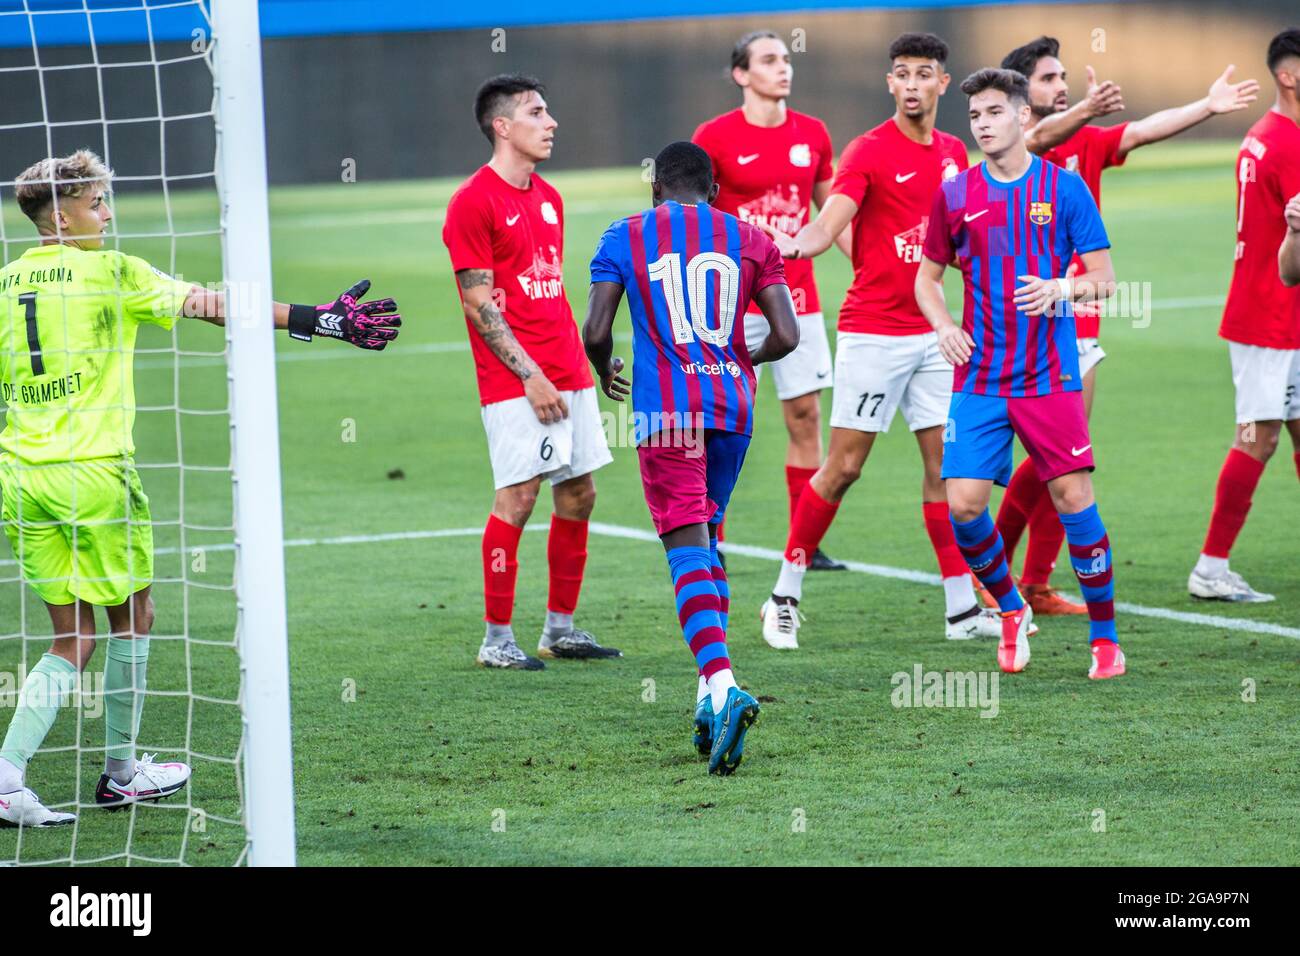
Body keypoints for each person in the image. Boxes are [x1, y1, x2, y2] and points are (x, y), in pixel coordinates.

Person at [0, 148, 402, 828]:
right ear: (62, 214)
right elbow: (211, 305)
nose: (107, 212)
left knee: (71, 637)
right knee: (134, 619)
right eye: (97, 202)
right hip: (95, 473)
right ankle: (121, 773)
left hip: (21, 477)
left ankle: (10, 777)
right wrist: (317, 319)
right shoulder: (110, 269)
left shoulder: (8, 282)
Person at [993, 35, 1259, 613]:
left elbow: (1141, 130)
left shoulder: (1086, 143)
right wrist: (1085, 108)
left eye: (1063, 77)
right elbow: (1036, 138)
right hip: (1020, 330)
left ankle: (1030, 583)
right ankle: (995, 578)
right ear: (1018, 92)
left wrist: (1207, 107)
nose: (1061, 86)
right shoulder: (1009, 150)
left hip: (1077, 323)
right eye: (1048, 78)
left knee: (1065, 459)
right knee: (1051, 459)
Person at [759, 33, 1005, 648]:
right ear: (889, 83)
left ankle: (959, 610)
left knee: (944, 470)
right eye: (903, 74)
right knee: (843, 467)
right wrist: (789, 245)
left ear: (943, 84)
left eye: (926, 74)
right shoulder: (867, 151)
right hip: (872, 334)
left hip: (936, 335)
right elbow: (825, 225)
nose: (914, 84)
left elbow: (967, 240)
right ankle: (783, 594)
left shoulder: (955, 153)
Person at [583, 141, 799, 774]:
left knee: (683, 547)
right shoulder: (752, 237)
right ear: (714, 192)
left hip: (669, 416)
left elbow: (596, 331)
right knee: (709, 538)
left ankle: (725, 685)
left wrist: (606, 369)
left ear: (656, 191)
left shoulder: (625, 235)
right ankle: (706, 699)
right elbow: (787, 335)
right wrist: (742, 365)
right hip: (733, 409)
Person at [913, 68, 1125, 679]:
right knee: (963, 506)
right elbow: (927, 279)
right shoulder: (954, 194)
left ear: (1022, 117)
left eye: (994, 113)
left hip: (1050, 377)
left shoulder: (1065, 190)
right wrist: (944, 326)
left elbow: (1105, 281)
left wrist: (1062, 287)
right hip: (979, 378)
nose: (982, 125)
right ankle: (1010, 609)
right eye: (975, 116)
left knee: (1073, 499)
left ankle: (1104, 638)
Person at [442, 74, 620, 670]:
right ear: (502, 126)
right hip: (517, 378)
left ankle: (561, 629)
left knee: (579, 493)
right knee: (519, 498)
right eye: (538, 113)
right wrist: (529, 375)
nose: (552, 123)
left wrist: (585, 362)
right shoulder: (474, 201)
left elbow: (546, 287)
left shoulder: (549, 197)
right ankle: (496, 640)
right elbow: (479, 303)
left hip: (566, 367)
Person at [692, 30, 846, 571]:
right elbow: (694, 217)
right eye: (769, 60)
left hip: (795, 299)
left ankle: (805, 542)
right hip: (731, 307)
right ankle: (711, 537)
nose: (784, 69)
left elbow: (832, 215)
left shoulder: (814, 134)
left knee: (806, 416)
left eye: (786, 59)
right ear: (741, 74)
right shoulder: (712, 138)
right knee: (722, 422)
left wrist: (867, 265)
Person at [1188, 29, 1300, 602]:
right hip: (1271, 316)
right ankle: (1210, 569)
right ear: (1289, 75)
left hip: (1279, 313)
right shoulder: (1284, 145)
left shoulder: (1265, 137)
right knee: (1256, 438)